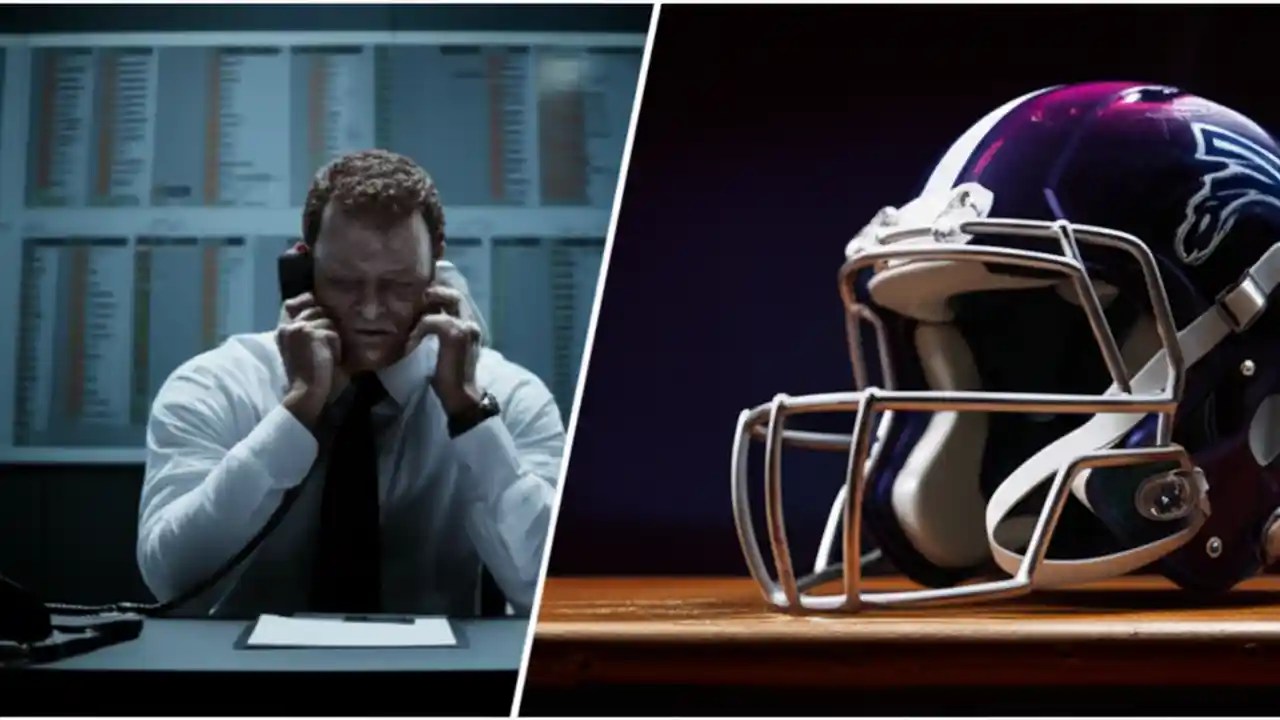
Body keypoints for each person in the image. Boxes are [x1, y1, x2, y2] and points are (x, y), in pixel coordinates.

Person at [135, 149, 563, 617]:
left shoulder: (511, 396)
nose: (372, 310)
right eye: (344, 282)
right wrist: (296, 412)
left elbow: (546, 591)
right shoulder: (215, 385)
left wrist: (469, 416)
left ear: (436, 266)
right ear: (302, 267)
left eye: (399, 284)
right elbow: (172, 582)